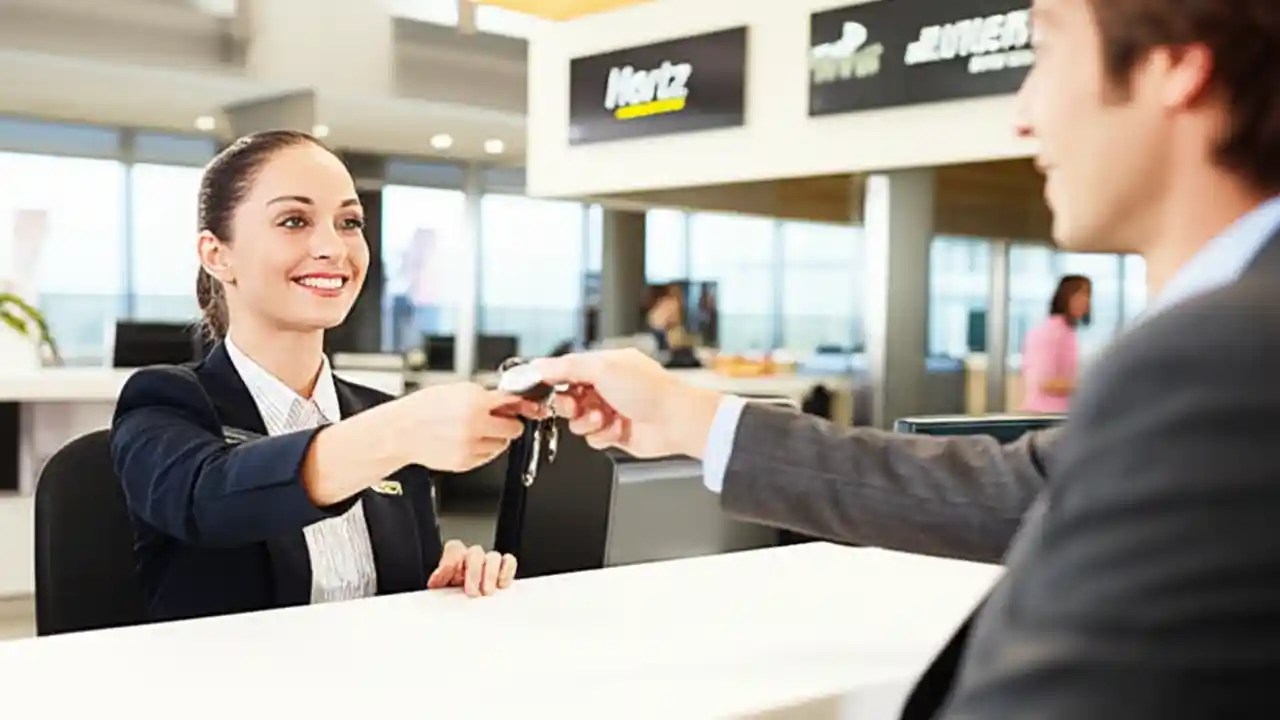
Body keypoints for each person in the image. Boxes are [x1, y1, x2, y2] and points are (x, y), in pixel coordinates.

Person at [526, 0, 1280, 717]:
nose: (1022, 115)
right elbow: (1020, 491)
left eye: (1044, 52)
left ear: (1175, 64)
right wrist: (692, 419)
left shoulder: (1220, 358)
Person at [110, 130, 537, 623]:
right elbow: (209, 499)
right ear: (217, 255)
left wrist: (445, 583)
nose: (333, 247)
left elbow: (395, 593)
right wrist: (398, 433)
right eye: (294, 220)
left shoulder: (379, 415)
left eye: (349, 222)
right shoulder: (163, 402)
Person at [1020, 274, 1091, 412]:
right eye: (1081, 294)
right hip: (1044, 415)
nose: (1086, 301)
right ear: (1065, 297)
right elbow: (1043, 381)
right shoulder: (1050, 332)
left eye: (1088, 295)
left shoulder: (1068, 332)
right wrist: (1091, 383)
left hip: (1063, 415)